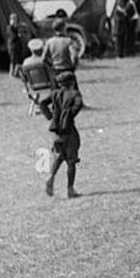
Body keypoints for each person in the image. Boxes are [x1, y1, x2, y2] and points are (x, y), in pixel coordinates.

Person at [43, 70, 84, 199]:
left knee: (59, 156)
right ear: (72, 82)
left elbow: (43, 103)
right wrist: (69, 115)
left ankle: (51, 177)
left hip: (57, 131)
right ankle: (70, 190)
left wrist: (50, 116)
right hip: (69, 130)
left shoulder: (55, 94)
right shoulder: (74, 94)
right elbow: (79, 104)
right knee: (71, 161)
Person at [6, 13, 25, 78]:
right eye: (13, 18)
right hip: (12, 45)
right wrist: (18, 35)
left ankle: (16, 72)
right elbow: (12, 37)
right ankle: (11, 73)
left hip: (18, 45)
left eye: (15, 18)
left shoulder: (17, 27)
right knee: (13, 60)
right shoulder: (9, 27)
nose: (14, 20)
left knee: (18, 60)